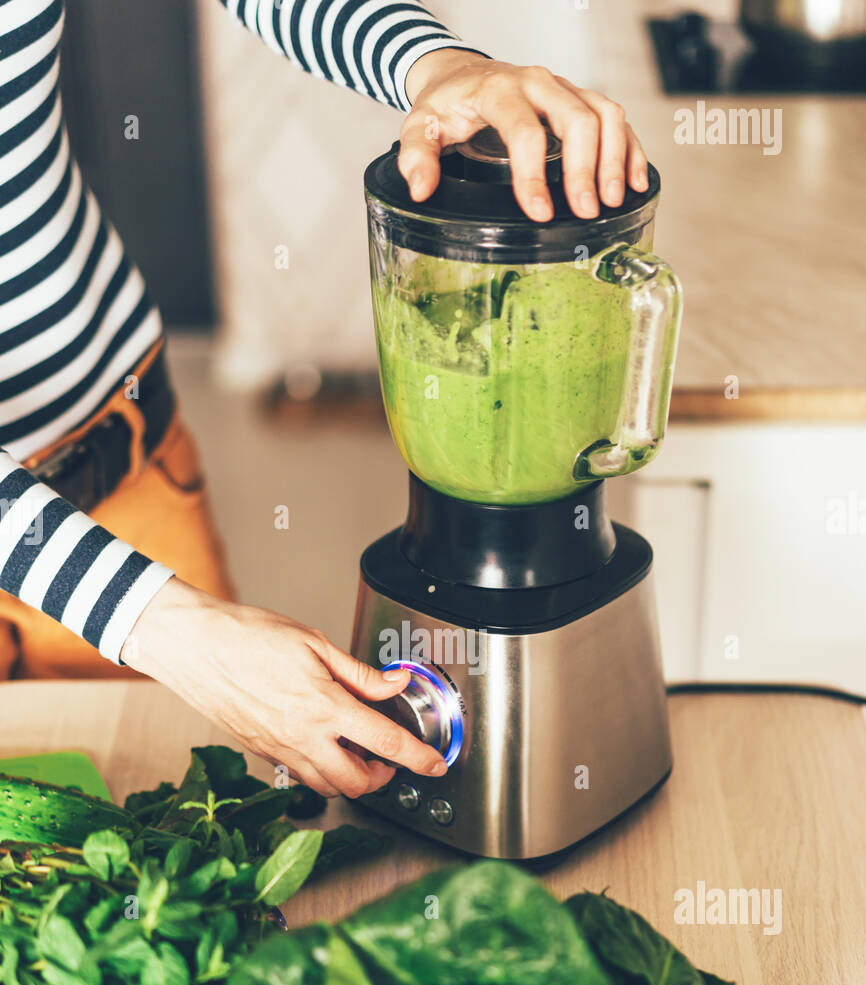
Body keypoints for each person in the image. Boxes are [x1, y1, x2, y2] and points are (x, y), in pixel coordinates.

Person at [0, 0, 649, 798]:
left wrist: (434, 65)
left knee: (165, 818)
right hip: (118, 586)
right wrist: (164, 626)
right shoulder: (162, 617)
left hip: (119, 435)